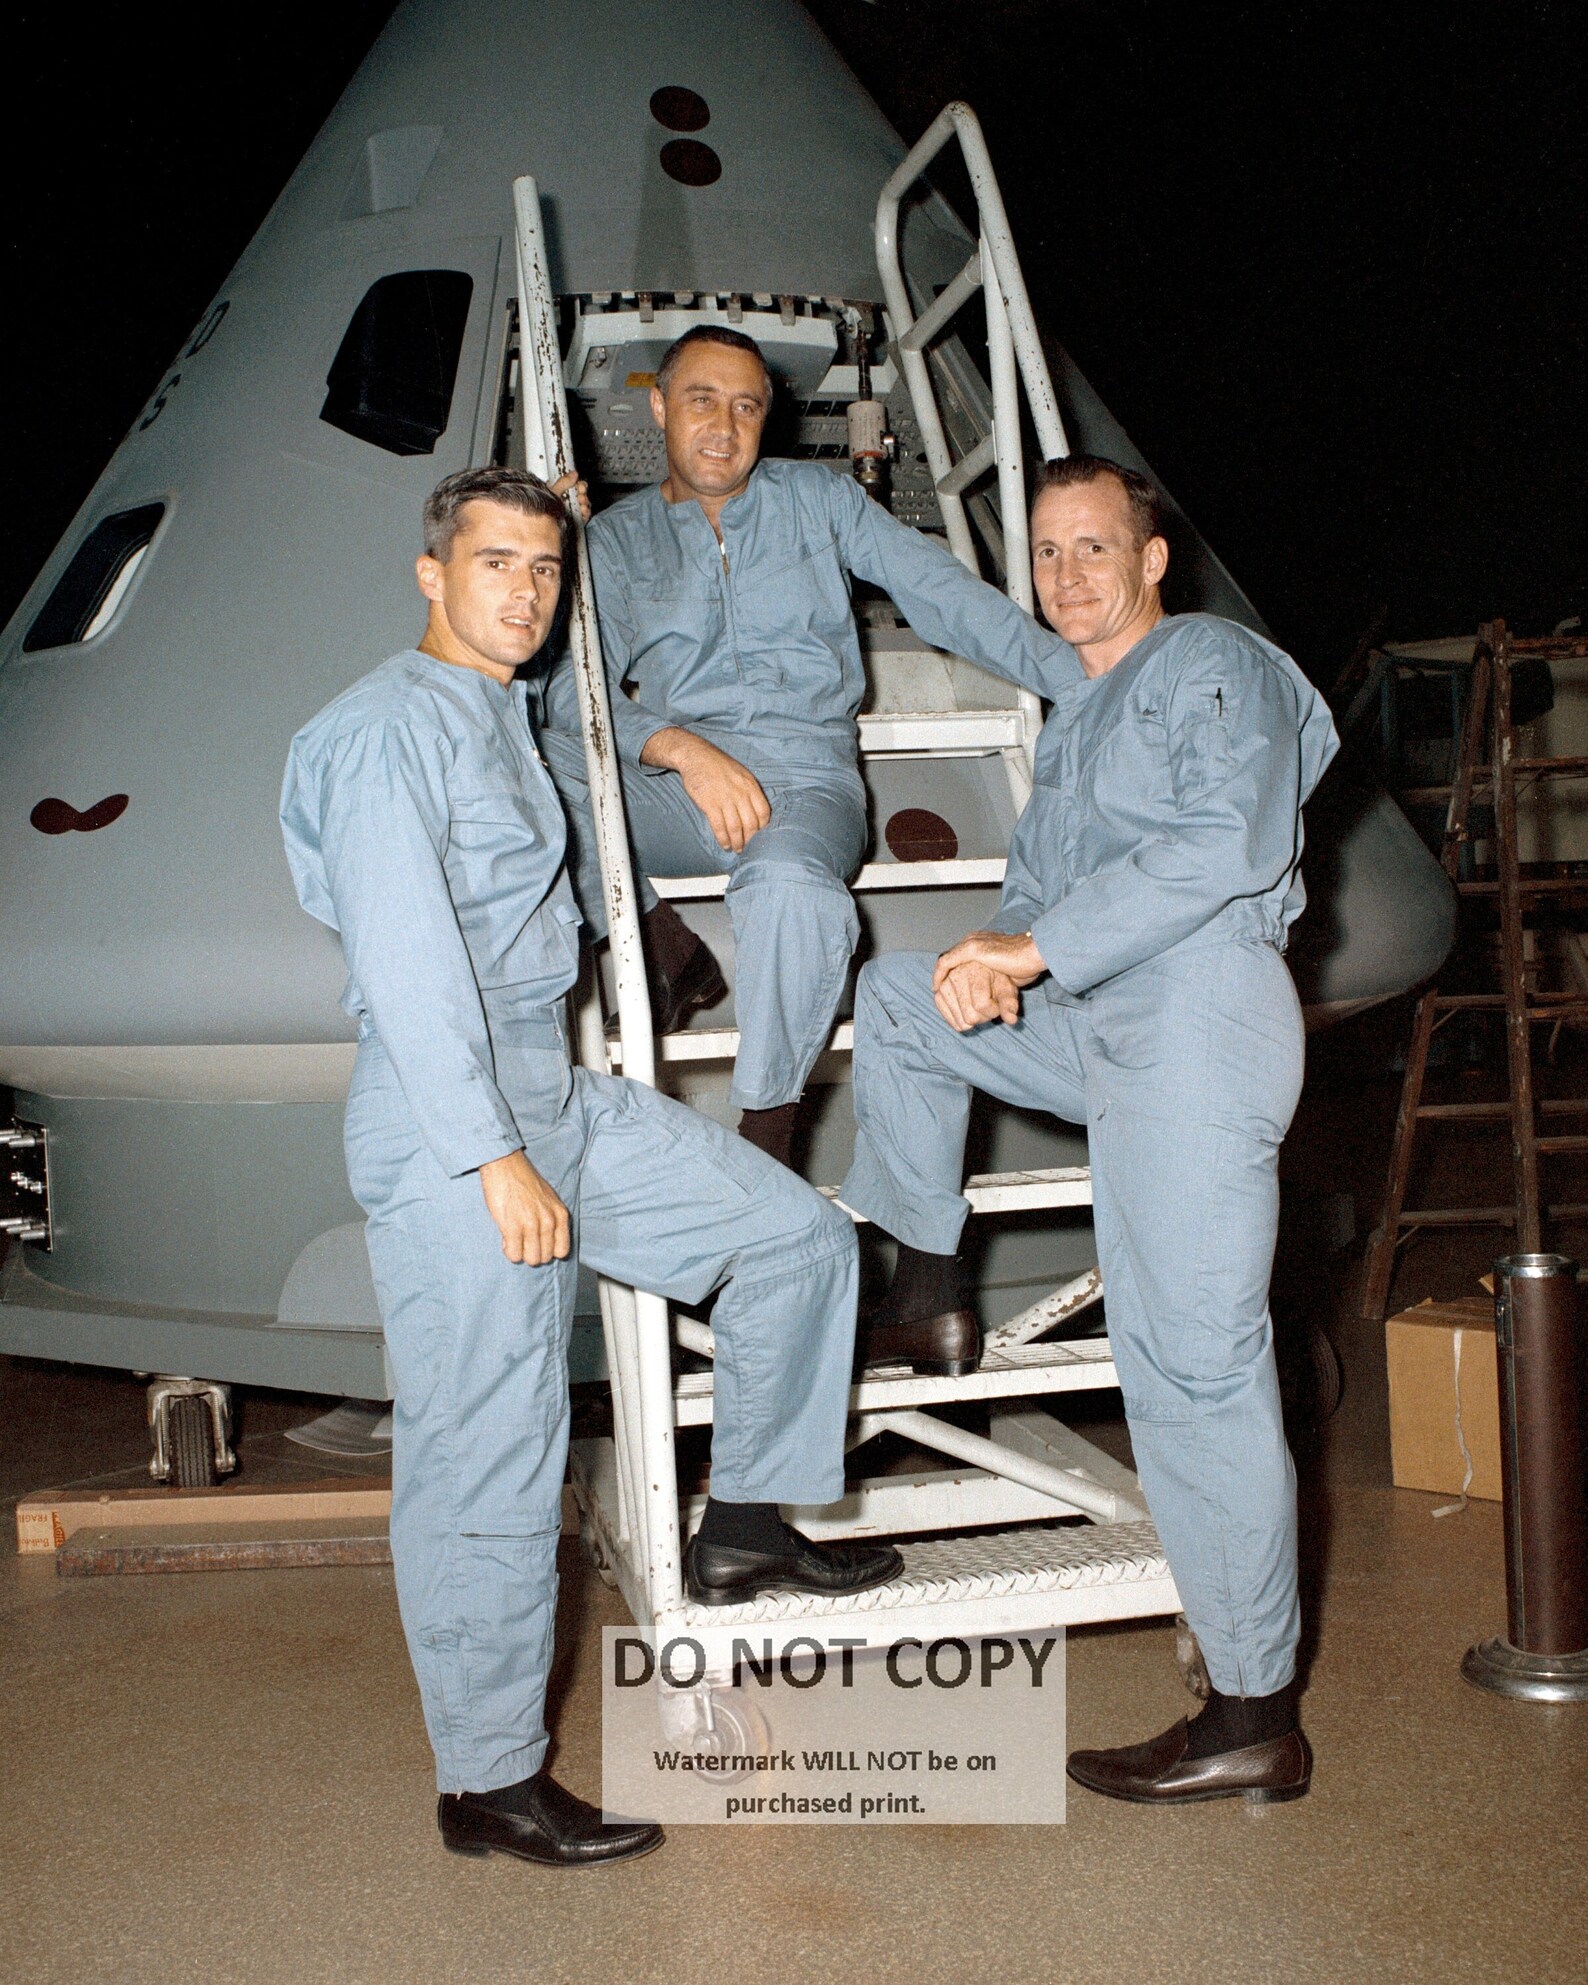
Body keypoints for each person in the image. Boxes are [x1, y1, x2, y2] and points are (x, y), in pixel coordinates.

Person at [279, 466, 899, 1869]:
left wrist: (567, 502)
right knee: (491, 1453)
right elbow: (414, 968)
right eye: (494, 561)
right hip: (460, 1121)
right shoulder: (385, 731)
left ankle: (743, 1513)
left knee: (795, 1238)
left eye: (546, 570)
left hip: (555, 1089)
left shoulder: (504, 710)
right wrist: (493, 1155)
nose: (525, 590)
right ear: (429, 573)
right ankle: (488, 1783)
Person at [839, 453, 1339, 1806]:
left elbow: (1224, 844)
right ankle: (930, 1282)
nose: (1067, 575)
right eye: (1047, 553)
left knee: (1190, 1367)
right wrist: (994, 955)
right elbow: (1024, 912)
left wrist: (1030, 943)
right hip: (1107, 1026)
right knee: (901, 997)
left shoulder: (1212, 667)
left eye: (1093, 547)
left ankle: (1251, 1708)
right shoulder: (1075, 717)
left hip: (1195, 1019)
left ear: (1151, 556)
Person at [537, 324, 1066, 1205]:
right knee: (522, 757)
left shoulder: (819, 502)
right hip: (679, 785)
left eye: (746, 405)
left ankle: (766, 1139)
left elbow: (936, 592)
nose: (723, 424)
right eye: (701, 400)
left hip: (802, 781)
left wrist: (1076, 673)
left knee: (791, 886)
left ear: (767, 418)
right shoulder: (617, 541)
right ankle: (668, 945)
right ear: (660, 407)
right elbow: (568, 691)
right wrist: (675, 746)